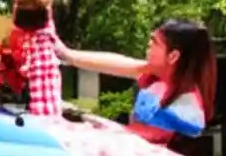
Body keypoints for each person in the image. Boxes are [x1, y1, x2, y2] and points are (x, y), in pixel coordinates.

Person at [55, 19, 216, 146]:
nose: (149, 45)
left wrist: (97, 125)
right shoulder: (157, 79)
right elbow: (116, 63)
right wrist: (67, 54)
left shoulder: (186, 103)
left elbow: (153, 141)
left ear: (173, 56)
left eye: (155, 42)